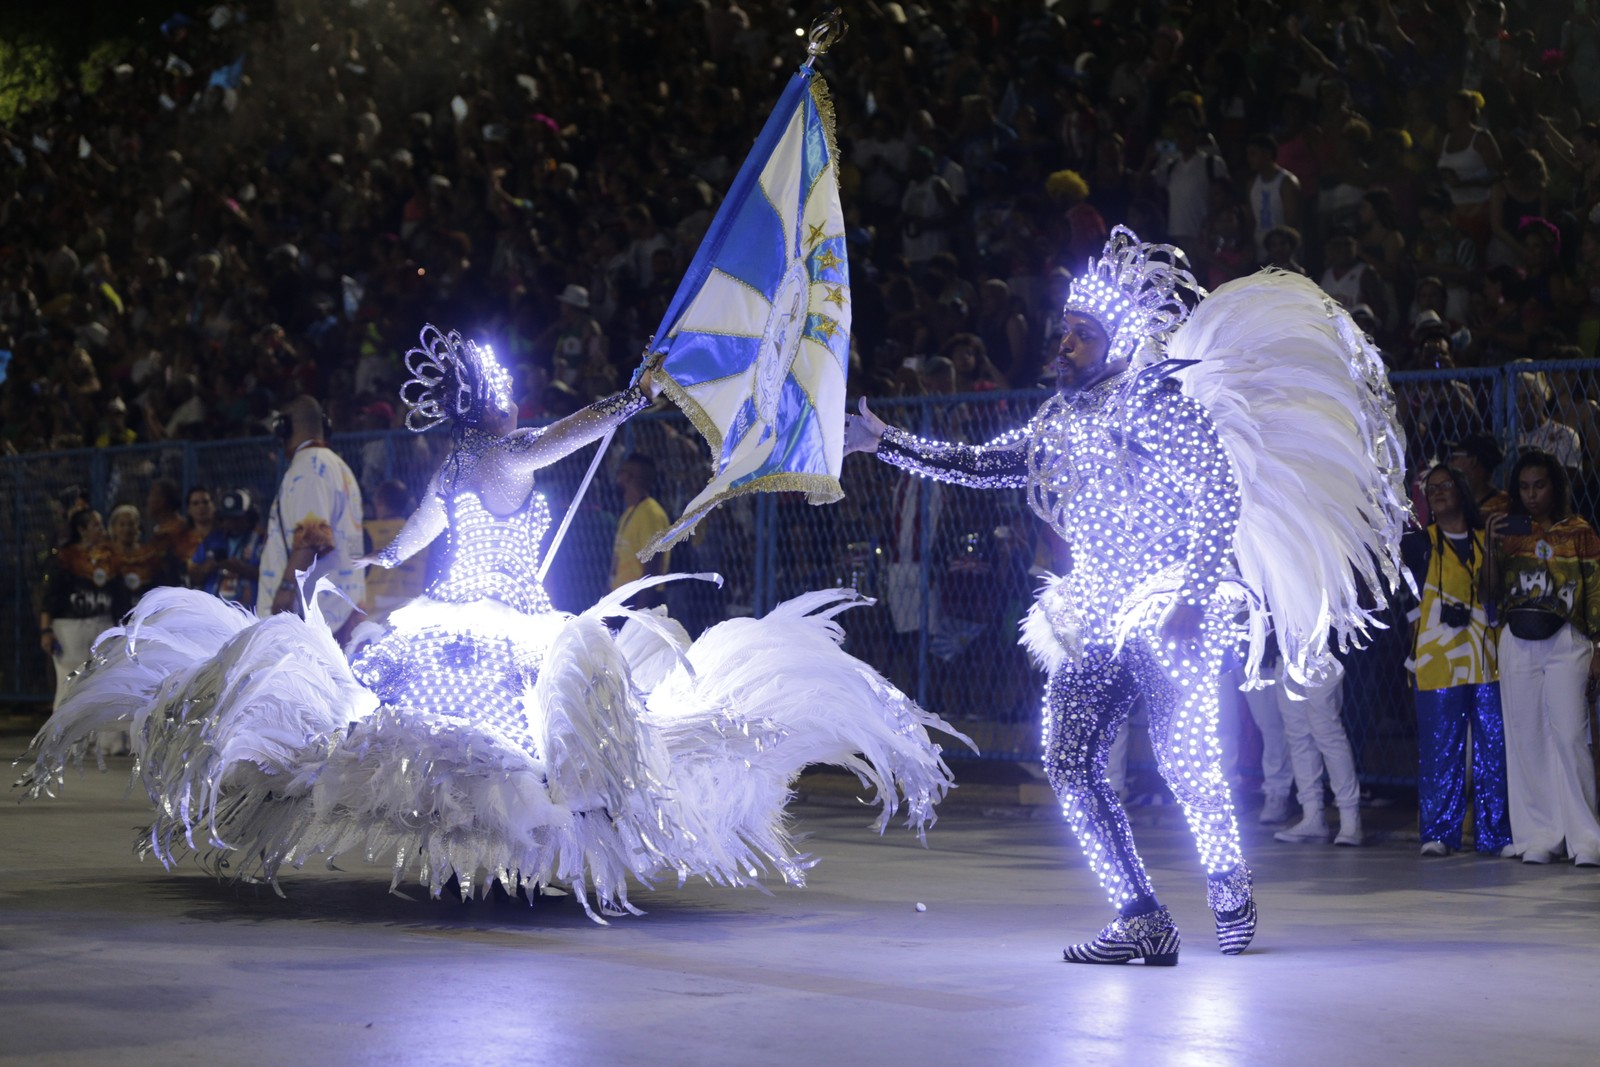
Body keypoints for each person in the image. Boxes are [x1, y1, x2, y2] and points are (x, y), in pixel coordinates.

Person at [22, 325, 962, 919]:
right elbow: (576, 431)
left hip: (454, 623)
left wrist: (358, 567)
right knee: (520, 755)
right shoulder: (509, 450)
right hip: (510, 627)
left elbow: (407, 549)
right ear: (493, 398)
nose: (516, 397)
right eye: (507, 385)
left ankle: (479, 869)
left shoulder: (451, 466)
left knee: (445, 751)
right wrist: (633, 397)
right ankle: (519, 863)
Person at [846, 227, 1409, 964]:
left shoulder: (1153, 404)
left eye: (1081, 335)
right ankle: (1142, 918)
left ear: (1113, 345)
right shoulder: (1058, 420)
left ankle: (1230, 891)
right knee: (1068, 758)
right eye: (1063, 332)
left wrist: (1193, 598)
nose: (1064, 345)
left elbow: (1216, 492)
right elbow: (984, 465)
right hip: (1098, 612)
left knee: (1187, 765)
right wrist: (884, 440)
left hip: (1169, 605)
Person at [1484, 450, 1600, 866]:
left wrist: (1598, 648)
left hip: (1567, 639)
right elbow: (1489, 596)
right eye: (1525, 487)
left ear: (1556, 487)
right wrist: (1491, 547)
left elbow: (1594, 591)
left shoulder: (1580, 531)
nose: (1532, 495)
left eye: (1540, 485)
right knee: (1527, 738)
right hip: (1517, 639)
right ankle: (1541, 835)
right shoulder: (1509, 533)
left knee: (1570, 735)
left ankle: (1586, 838)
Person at [1402, 464, 1510, 857]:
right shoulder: (1419, 543)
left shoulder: (1485, 540)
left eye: (1446, 485)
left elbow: (1494, 595)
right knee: (1438, 750)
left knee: (1492, 749)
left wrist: (1494, 549)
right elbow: (1410, 603)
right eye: (1432, 489)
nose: (1438, 492)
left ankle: (1496, 834)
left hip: (1485, 658)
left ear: (1462, 491)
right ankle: (1438, 833)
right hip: (1437, 660)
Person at [257, 394, 365, 638]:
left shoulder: (310, 468)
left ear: (283, 428)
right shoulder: (337, 465)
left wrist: (284, 593)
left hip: (310, 621)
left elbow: (313, 538)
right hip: (336, 612)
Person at [39, 507, 117, 708]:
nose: (102, 529)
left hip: (102, 622)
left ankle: (101, 740)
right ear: (82, 530)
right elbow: (50, 596)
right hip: (70, 627)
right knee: (70, 686)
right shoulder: (65, 557)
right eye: (95, 525)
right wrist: (46, 630)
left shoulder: (109, 556)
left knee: (104, 685)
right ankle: (67, 739)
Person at [609, 452, 671, 607]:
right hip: (623, 599)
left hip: (637, 600)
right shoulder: (629, 513)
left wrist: (640, 611)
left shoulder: (651, 514)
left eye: (621, 473)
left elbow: (652, 566)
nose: (618, 479)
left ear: (629, 477)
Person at [360, 479, 426, 620]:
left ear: (378, 502)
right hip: (413, 614)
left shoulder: (366, 531)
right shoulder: (420, 532)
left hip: (374, 617)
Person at [192, 489, 264, 605]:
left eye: (237, 518)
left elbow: (270, 576)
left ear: (249, 517)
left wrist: (241, 569)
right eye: (227, 518)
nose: (231, 523)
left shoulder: (260, 540)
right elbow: (194, 576)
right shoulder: (212, 540)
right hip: (213, 610)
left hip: (247, 612)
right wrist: (207, 567)